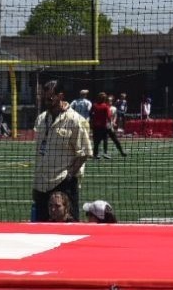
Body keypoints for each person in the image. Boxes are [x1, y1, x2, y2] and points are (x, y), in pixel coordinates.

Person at [31, 80, 92, 222]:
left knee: (68, 229)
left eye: (51, 97)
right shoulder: (40, 119)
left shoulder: (75, 120)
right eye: (45, 97)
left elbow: (84, 152)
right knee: (40, 230)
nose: (47, 100)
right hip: (41, 184)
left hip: (63, 184)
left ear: (61, 96)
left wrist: (69, 176)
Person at [89, 91, 124, 159]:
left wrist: (92, 121)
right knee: (115, 139)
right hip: (105, 126)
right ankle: (121, 151)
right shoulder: (106, 106)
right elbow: (109, 116)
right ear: (104, 99)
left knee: (97, 141)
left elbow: (90, 114)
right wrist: (112, 123)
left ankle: (95, 154)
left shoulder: (94, 105)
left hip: (96, 126)